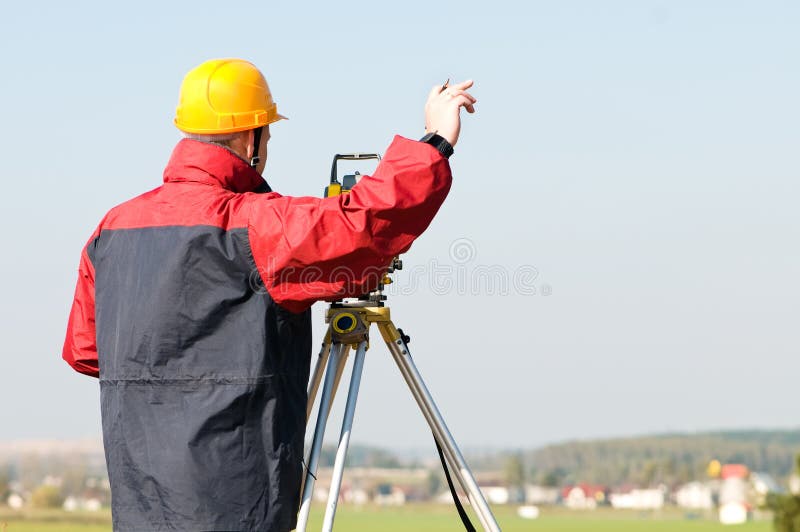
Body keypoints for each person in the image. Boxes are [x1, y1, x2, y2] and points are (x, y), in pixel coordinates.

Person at [62, 58, 476, 531]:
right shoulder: (255, 223)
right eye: (268, 135)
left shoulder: (110, 230)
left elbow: (86, 352)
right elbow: (361, 221)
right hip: (237, 498)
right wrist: (436, 142)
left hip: (141, 502)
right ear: (249, 139)